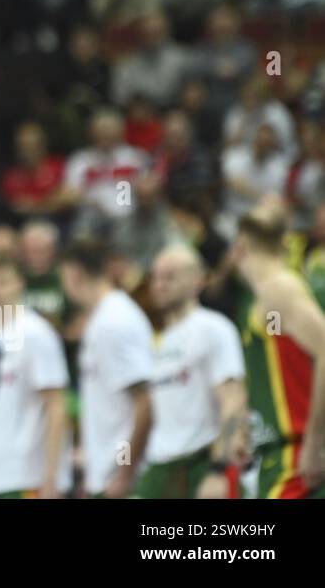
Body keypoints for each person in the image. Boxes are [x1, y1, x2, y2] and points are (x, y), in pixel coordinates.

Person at [231, 199, 325, 498]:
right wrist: (244, 427)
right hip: (273, 454)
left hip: (295, 456)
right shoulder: (258, 300)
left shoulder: (279, 288)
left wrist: (314, 443)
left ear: (240, 247)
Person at [137, 244, 247, 498]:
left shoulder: (214, 329)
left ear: (197, 280)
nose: (160, 284)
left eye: (170, 276)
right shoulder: (153, 341)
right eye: (155, 277)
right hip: (160, 466)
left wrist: (219, 470)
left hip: (201, 462)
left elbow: (233, 400)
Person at [59, 240, 154, 497]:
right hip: (104, 478)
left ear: (74, 273)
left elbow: (145, 402)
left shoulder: (113, 321)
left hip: (122, 482)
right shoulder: (102, 319)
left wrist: (124, 474)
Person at [0, 257, 71, 498]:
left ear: (19, 284)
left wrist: (52, 476)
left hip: (27, 474)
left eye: (0, 283)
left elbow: (57, 405)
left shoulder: (36, 332)